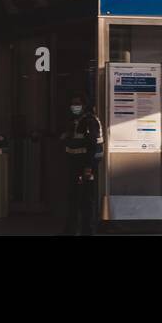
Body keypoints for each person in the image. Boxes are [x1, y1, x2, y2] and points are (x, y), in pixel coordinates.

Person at [60, 93, 104, 235]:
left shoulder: (90, 121)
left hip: (86, 166)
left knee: (86, 200)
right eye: (73, 103)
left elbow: (92, 145)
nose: (74, 106)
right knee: (73, 199)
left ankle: (87, 231)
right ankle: (71, 230)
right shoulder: (75, 120)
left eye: (77, 103)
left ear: (84, 105)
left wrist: (88, 168)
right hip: (75, 165)